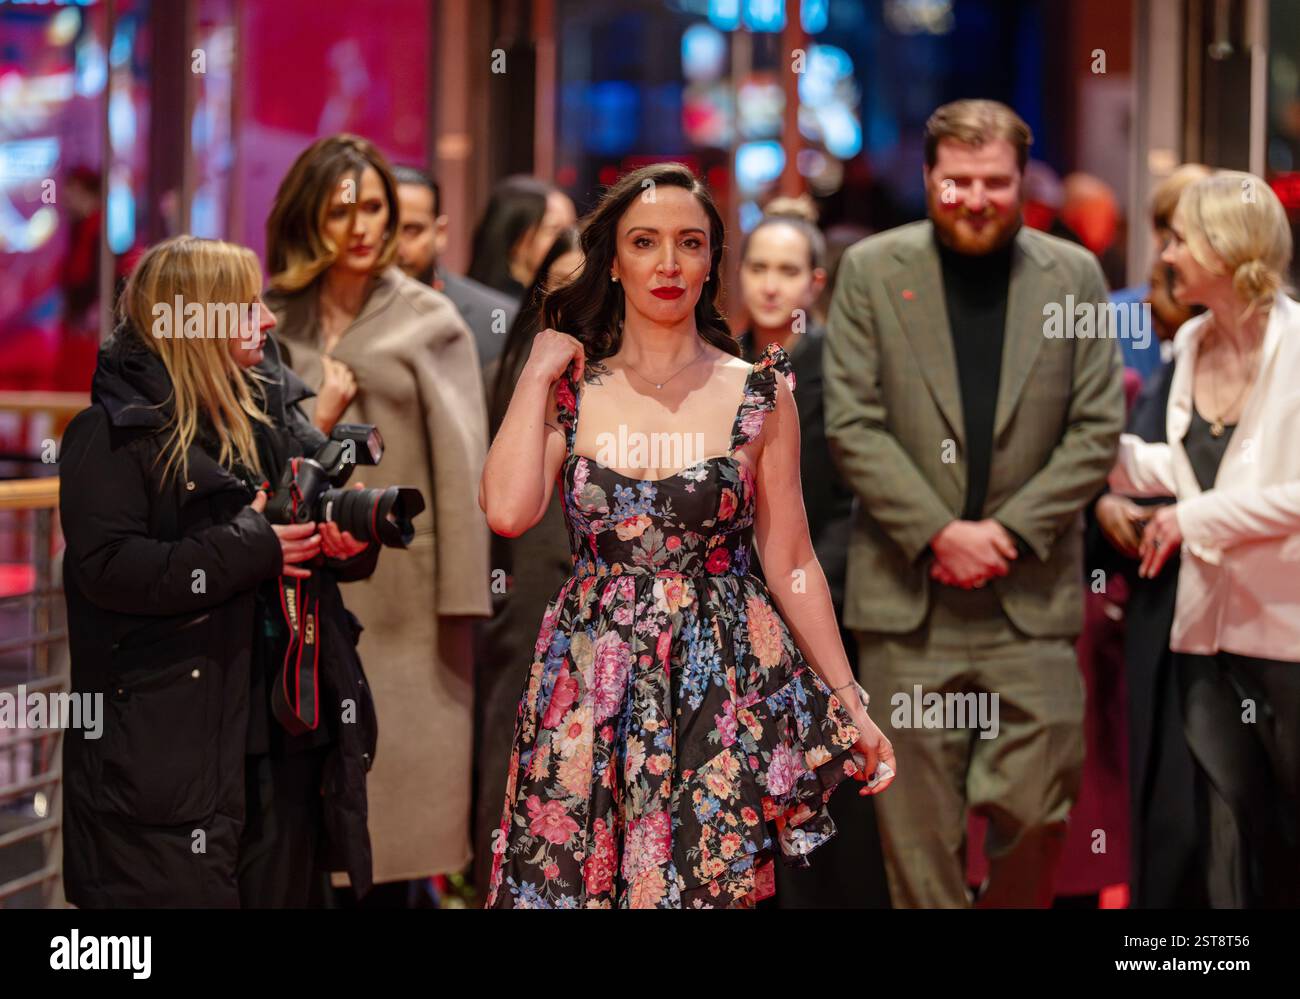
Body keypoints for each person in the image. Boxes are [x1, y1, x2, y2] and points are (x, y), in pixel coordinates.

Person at [480, 162, 895, 909]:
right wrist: (536, 372)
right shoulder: (572, 386)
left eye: (689, 243)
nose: (668, 263)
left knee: (705, 891)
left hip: (715, 685)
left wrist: (848, 699)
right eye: (645, 242)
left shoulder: (760, 391)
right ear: (614, 259)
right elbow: (508, 511)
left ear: (711, 260)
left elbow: (793, 558)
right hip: (589, 678)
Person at [823, 99, 1125, 908]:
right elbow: (852, 423)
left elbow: (1097, 427)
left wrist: (1006, 533)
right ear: (927, 179)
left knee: (1038, 809)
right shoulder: (872, 271)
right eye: (957, 181)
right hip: (907, 603)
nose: (976, 198)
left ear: (1024, 182)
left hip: (1029, 598)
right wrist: (937, 533)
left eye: (994, 181)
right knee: (917, 836)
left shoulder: (1073, 276)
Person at [59, 235, 378, 907]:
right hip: (169, 759)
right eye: (245, 305)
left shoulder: (263, 408)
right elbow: (108, 569)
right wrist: (252, 546)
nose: (265, 319)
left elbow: (302, 521)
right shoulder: (111, 432)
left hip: (282, 737)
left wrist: (342, 538)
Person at [263, 134, 492, 903]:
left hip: (405, 604)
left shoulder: (430, 319)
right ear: (306, 217)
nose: (359, 226)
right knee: (293, 824)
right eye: (338, 210)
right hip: (288, 590)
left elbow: (463, 473)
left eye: (372, 208)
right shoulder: (269, 319)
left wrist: (463, 603)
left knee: (395, 816)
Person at [1109, 171, 1300, 908]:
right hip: (1204, 636)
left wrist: (1193, 521)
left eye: (1181, 237)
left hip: (1285, 641)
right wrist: (1095, 451)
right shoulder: (1188, 339)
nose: (1167, 253)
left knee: (1284, 839)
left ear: (1226, 250)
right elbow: (1187, 469)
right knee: (1221, 831)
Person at [735, 206, 887, 908]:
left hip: (817, 593)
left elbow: (841, 503)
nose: (770, 284)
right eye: (758, 266)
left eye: (787, 270)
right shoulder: (720, 361)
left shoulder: (835, 363)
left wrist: (789, 589)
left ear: (815, 281)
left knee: (828, 779)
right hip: (732, 607)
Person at [1092, 163, 1212, 907]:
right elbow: (1093, 444)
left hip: (1225, 575)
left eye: (1189, 233)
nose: (1173, 250)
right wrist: (1101, 498)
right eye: (1169, 229)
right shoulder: (1112, 319)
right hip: (1133, 578)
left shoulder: (1259, 335)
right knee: (1146, 775)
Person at [472, 226, 584, 901]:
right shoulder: (520, 386)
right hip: (530, 616)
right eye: (566, 289)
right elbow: (500, 514)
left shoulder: (682, 388)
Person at [392, 164, 519, 367]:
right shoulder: (338, 314)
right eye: (385, 231)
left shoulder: (497, 318)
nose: (396, 247)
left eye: (412, 230)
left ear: (440, 232)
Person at [467, 174, 576, 303]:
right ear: (516, 238)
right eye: (554, 229)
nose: (570, 238)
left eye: (572, 227)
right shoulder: (494, 312)